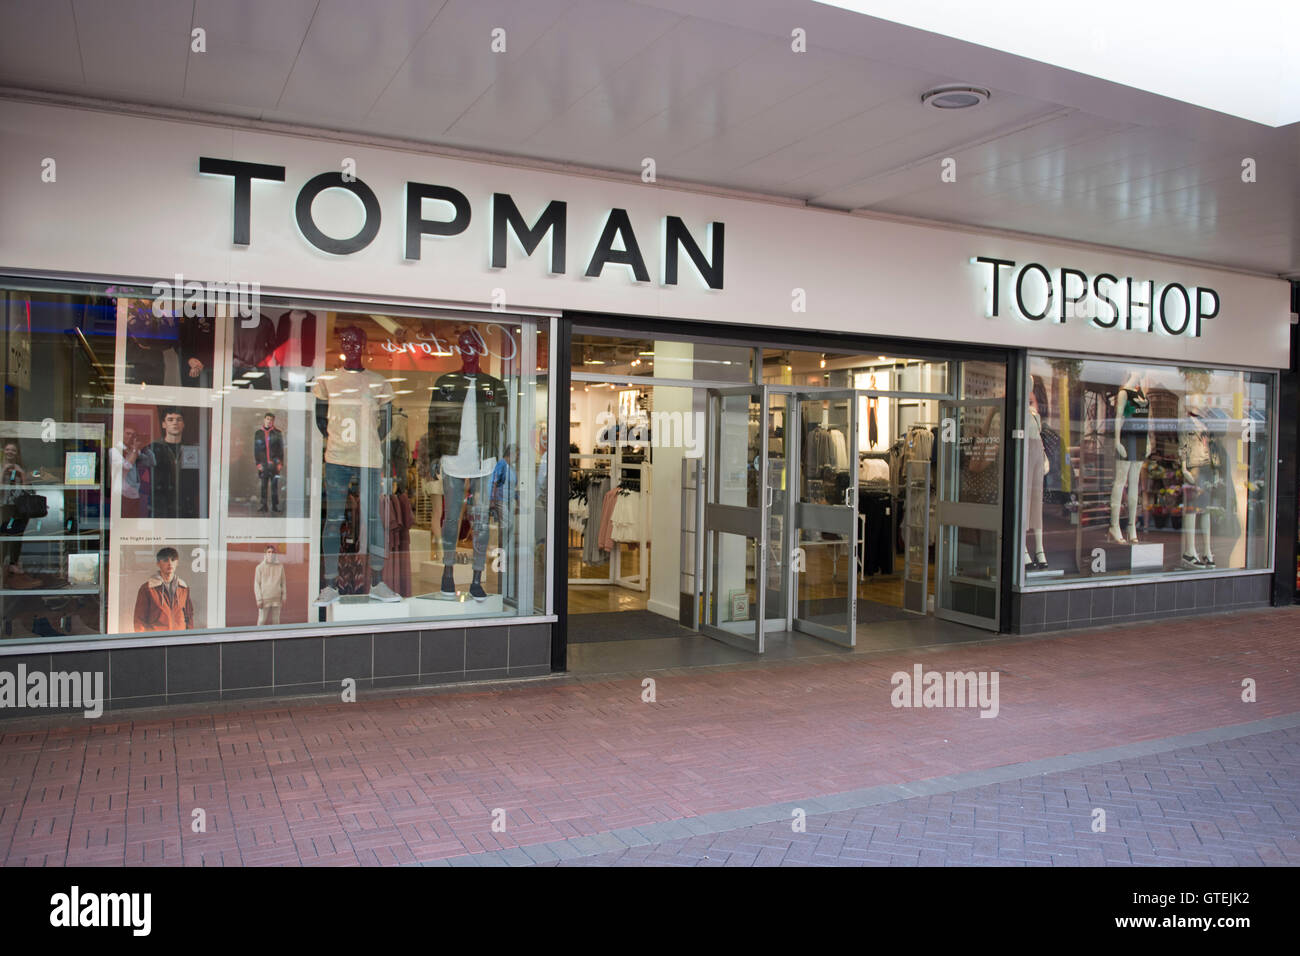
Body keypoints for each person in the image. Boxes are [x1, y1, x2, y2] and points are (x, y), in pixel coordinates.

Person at [148, 407, 204, 519]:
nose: (175, 423)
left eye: (179, 419)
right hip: (161, 510)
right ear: (163, 424)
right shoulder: (152, 449)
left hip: (187, 510)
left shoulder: (192, 450)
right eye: (170, 419)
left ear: (183, 424)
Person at [2, 442, 40, 589]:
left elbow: (27, 491)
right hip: (3, 507)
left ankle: (13, 566)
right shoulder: (1, 467)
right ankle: (4, 569)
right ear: (4, 451)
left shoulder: (20, 469)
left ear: (17, 453)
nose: (10, 452)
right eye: (8, 449)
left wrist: (22, 474)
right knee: (4, 536)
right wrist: (3, 471)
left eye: (13, 450)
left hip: (17, 508)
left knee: (16, 536)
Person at [133, 546, 194, 631]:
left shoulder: (183, 588)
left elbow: (189, 616)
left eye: (173, 560)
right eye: (165, 560)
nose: (170, 563)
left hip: (179, 639)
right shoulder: (148, 589)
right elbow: (139, 621)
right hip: (157, 640)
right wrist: (145, 642)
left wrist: (188, 639)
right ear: (158, 563)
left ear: (177, 563)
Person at [109, 425, 154, 519]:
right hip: (121, 494)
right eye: (128, 433)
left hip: (135, 493)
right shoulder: (114, 450)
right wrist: (135, 450)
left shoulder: (133, 450)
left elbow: (151, 462)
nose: (130, 437)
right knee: (123, 522)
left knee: (133, 523)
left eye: (133, 435)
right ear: (121, 434)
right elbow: (127, 466)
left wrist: (145, 448)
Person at [253, 412, 284, 513]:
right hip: (263, 464)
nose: (269, 421)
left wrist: (280, 463)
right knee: (263, 486)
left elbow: (281, 449)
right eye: (267, 419)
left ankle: (275, 506)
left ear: (273, 421)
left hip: (274, 464)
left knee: (274, 486)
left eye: (271, 420)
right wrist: (258, 463)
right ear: (264, 419)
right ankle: (263, 505)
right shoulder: (258, 433)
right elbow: (256, 449)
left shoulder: (278, 433)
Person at [253, 544, 287, 625]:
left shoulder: (280, 567)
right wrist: (259, 600)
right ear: (265, 554)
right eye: (269, 552)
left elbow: (283, 582)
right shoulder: (259, 567)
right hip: (264, 599)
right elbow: (257, 584)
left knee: (276, 621)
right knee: (261, 620)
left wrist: (284, 596)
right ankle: (258, 636)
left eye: (272, 552)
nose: (271, 554)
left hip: (277, 598)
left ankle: (276, 637)